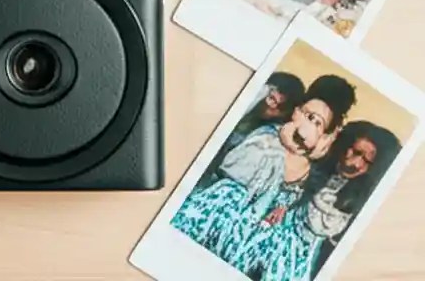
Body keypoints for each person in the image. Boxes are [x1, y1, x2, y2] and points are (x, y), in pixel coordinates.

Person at [171, 75, 356, 263]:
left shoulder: (314, 163)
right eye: (310, 116)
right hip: (230, 202)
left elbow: (298, 192)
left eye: (319, 124)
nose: (312, 125)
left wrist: (284, 204)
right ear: (298, 111)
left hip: (263, 221)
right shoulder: (269, 135)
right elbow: (235, 168)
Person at [233, 122, 401, 280]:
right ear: (345, 146)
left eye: (367, 162)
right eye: (356, 152)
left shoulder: (363, 203)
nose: (357, 164)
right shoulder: (313, 168)